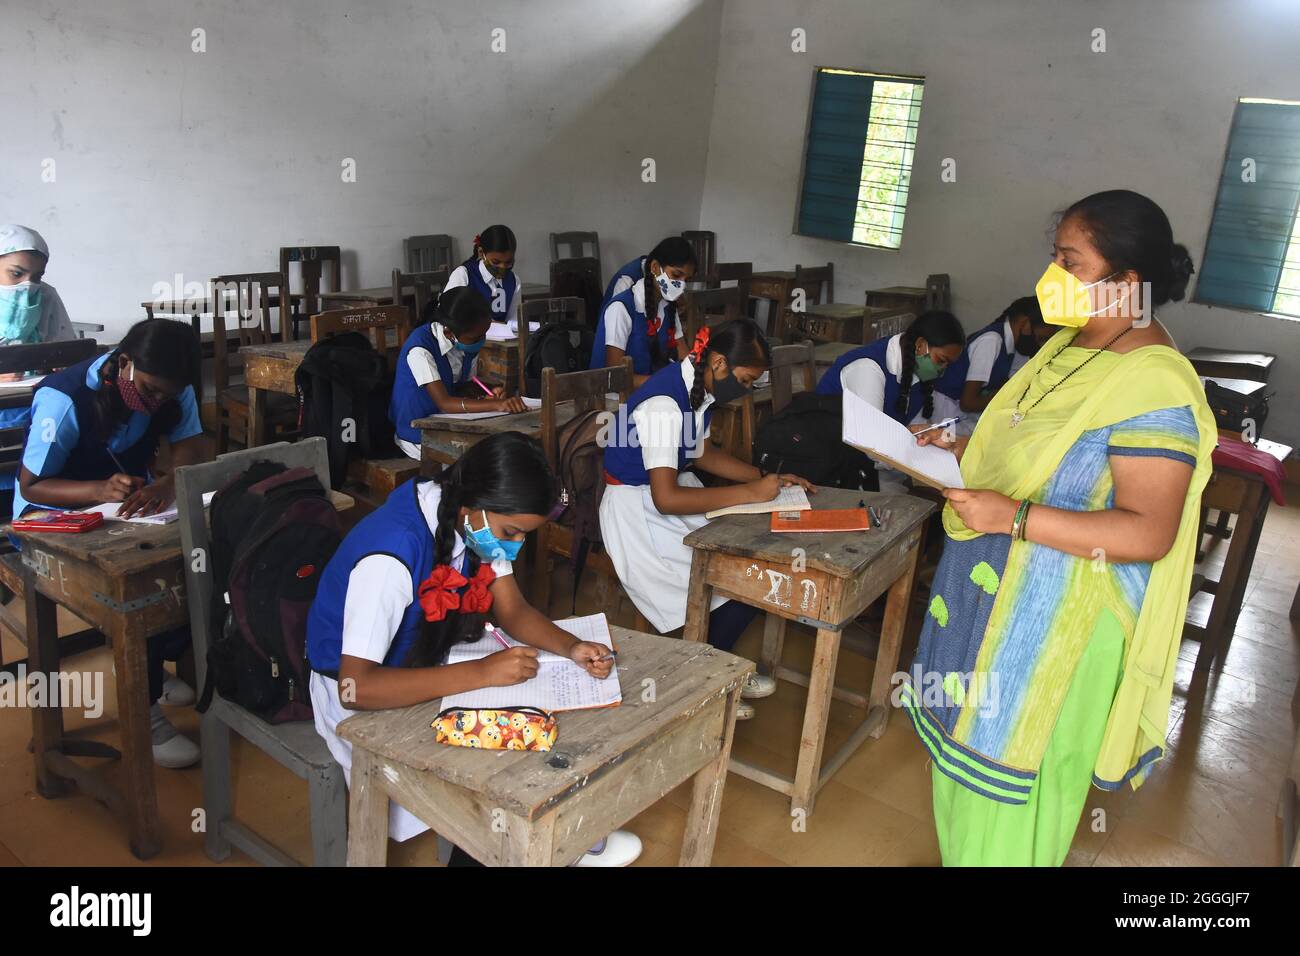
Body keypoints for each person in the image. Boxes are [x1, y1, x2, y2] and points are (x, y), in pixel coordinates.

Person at [901, 189, 1216, 866]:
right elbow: (1038, 450)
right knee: (965, 783)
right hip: (991, 603)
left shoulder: (1154, 383)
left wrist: (1011, 516)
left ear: (1127, 282)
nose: (1053, 277)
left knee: (1012, 807)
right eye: (1055, 258)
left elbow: (1146, 533)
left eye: (1071, 262)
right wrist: (960, 449)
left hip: (1054, 634)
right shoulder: (1072, 345)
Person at [306, 431, 641, 866]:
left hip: (423, 660)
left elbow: (513, 610)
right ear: (474, 506)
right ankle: (530, 847)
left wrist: (570, 645)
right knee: (498, 763)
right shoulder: (391, 554)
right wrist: (482, 674)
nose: (516, 546)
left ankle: (549, 839)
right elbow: (357, 687)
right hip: (361, 697)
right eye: (514, 533)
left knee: (535, 725)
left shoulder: (474, 521)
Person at [17, 318, 209, 767]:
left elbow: (190, 448)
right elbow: (32, 486)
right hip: (52, 513)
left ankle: (152, 666)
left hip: (124, 504)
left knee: (194, 556)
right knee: (140, 578)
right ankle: (145, 712)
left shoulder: (172, 386)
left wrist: (166, 481)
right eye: (150, 390)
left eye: (167, 393)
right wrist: (98, 491)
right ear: (125, 363)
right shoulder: (64, 399)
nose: (157, 401)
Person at [600, 319, 814, 720]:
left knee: (751, 568)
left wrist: (764, 479)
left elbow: (701, 455)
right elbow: (666, 498)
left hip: (666, 497)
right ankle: (705, 677)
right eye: (747, 380)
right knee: (730, 578)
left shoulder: (696, 391)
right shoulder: (664, 404)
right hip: (637, 515)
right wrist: (751, 494)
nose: (748, 390)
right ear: (717, 363)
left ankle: (715, 665)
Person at [816, 310, 965, 491]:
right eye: (941, 360)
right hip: (836, 466)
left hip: (879, 464)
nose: (943, 369)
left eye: (948, 364)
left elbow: (922, 429)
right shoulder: (868, 369)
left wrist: (937, 440)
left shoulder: (919, 374)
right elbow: (873, 447)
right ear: (920, 345)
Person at [389, 288, 525, 460]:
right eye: (476, 337)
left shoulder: (465, 343)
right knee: (486, 457)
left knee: (503, 446)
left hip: (447, 422)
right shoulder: (420, 350)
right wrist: (497, 405)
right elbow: (445, 402)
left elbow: (462, 386)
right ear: (449, 333)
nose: (482, 340)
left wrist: (487, 392)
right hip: (418, 434)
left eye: (485, 333)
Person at [0, 224, 79, 513]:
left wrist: (58, 365)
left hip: (34, 401)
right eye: (16, 274)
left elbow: (66, 350)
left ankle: (34, 497)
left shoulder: (46, 296)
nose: (27, 285)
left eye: (37, 276)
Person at [931, 296, 1054, 432]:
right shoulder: (991, 341)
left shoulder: (1016, 347)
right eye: (1041, 338)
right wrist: (1006, 399)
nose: (1040, 345)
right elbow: (968, 402)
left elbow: (1016, 385)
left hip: (964, 413)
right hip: (948, 410)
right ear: (1024, 323)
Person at [589, 237, 694, 387]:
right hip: (615, 400)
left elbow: (684, 357)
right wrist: (663, 383)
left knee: (697, 405)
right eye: (676, 275)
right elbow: (615, 376)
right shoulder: (621, 307)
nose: (681, 285)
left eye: (687, 280)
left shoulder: (668, 306)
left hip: (650, 393)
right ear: (655, 267)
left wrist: (697, 373)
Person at [443, 225, 520, 324]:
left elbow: (514, 321)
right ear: (481, 253)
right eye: (496, 262)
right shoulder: (464, 275)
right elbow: (448, 315)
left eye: (509, 262)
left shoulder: (513, 281)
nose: (503, 267)